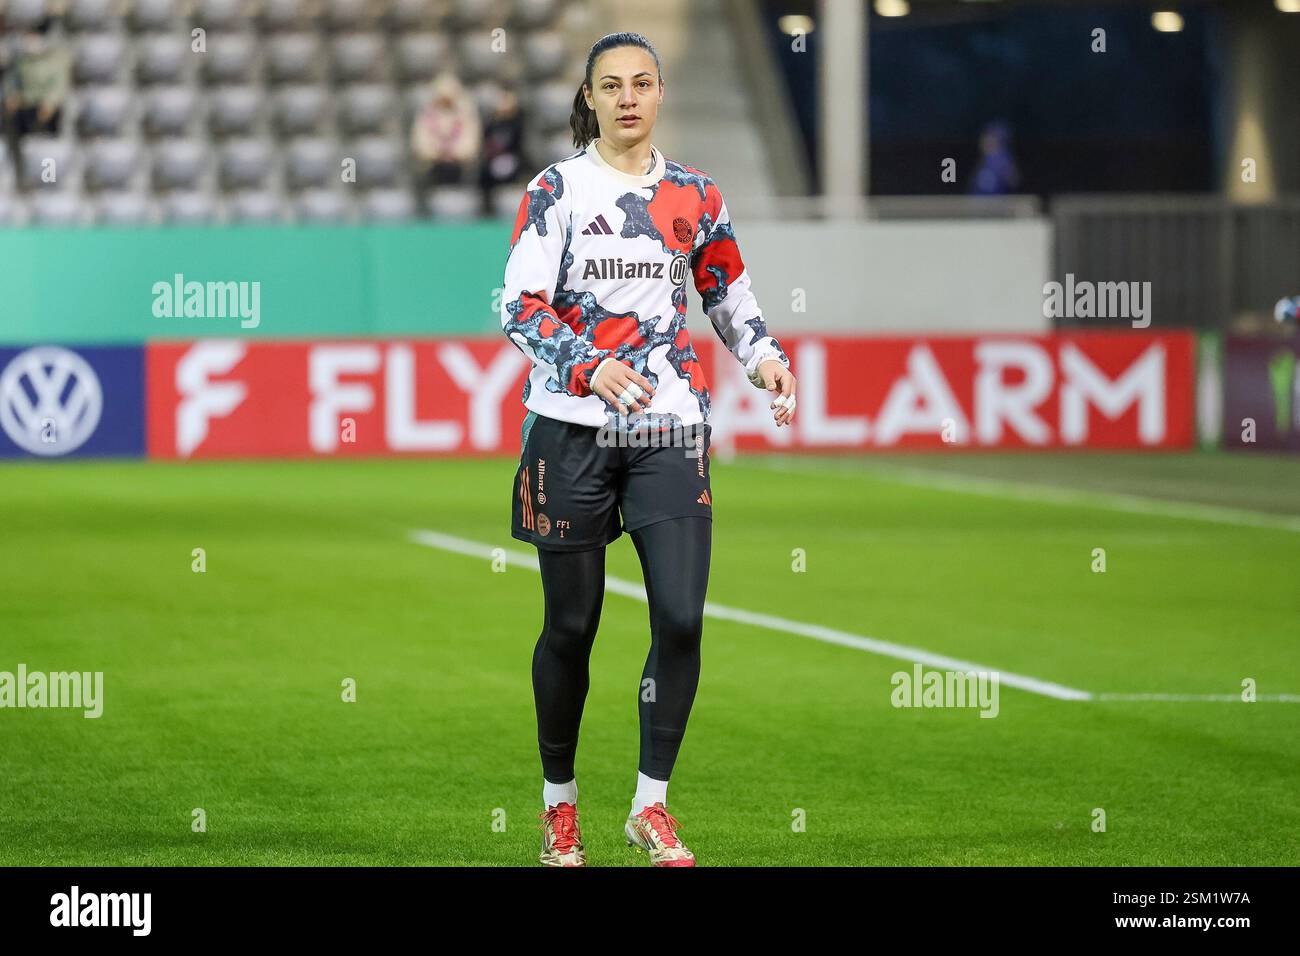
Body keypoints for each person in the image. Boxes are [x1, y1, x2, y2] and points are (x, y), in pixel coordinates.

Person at [500, 32, 796, 867]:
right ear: (589, 100)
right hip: (570, 430)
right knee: (571, 624)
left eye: (642, 83)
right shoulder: (557, 190)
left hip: (669, 427)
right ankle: (561, 806)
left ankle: (651, 805)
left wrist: (764, 354)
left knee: (680, 615)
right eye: (611, 86)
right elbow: (520, 306)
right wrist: (587, 366)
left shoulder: (698, 195)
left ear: (660, 94)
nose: (628, 97)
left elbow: (727, 289)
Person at [410, 71, 481, 188]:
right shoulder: (426, 114)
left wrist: (454, 153)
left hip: (460, 165)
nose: (445, 101)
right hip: (433, 164)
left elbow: (471, 142)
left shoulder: (465, 115)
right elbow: (420, 141)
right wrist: (436, 153)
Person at [479, 87, 527, 215]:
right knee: (483, 175)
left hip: (515, 162)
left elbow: (524, 147)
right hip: (492, 164)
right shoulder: (490, 123)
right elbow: (485, 143)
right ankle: (487, 209)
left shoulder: (520, 122)